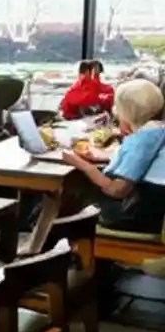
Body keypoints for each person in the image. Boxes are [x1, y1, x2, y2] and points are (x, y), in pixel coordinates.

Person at [62, 79, 165, 242]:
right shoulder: (158, 130)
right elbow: (144, 162)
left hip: (137, 216)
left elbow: (118, 190)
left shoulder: (143, 139)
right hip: (155, 213)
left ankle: (53, 247)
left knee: (72, 197)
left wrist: (83, 165)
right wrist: (100, 159)